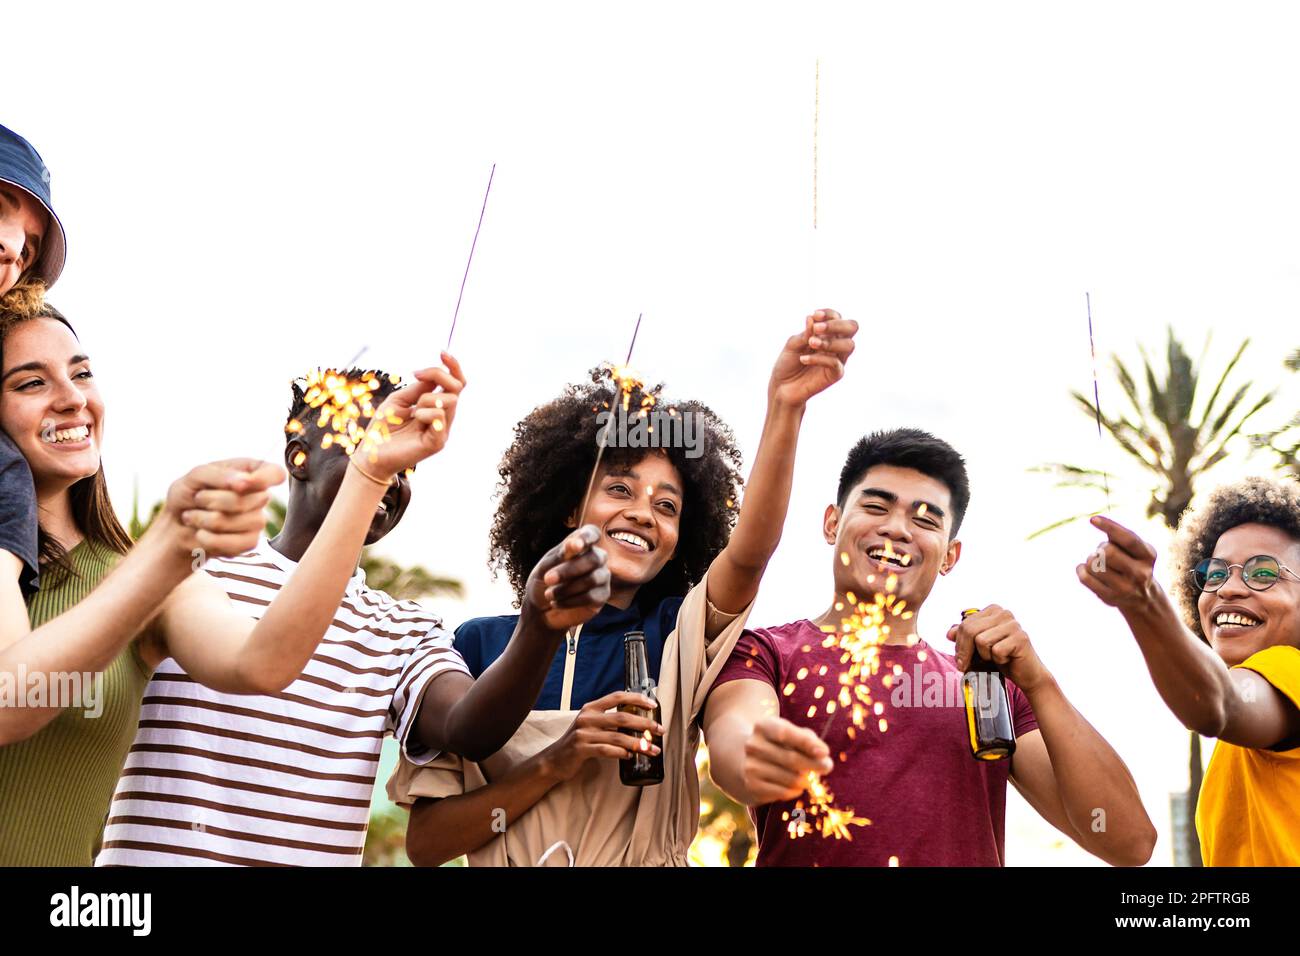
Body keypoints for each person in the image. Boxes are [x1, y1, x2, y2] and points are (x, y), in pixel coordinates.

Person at [0, 300, 460, 865]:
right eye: (29, 383)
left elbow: (262, 664)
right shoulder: (148, 567)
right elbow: (10, 698)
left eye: (82, 373)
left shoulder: (147, 576)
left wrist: (369, 473)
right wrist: (166, 543)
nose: (72, 398)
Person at [392, 309, 859, 866]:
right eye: (620, 489)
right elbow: (428, 844)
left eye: (667, 506)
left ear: (682, 537)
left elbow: (750, 555)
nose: (642, 514)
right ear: (568, 508)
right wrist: (555, 762)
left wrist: (785, 408)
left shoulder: (676, 633)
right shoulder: (478, 646)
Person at [95, 360, 601, 866]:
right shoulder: (190, 579)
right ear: (299, 456)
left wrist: (539, 626)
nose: (392, 473)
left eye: (407, 467)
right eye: (369, 448)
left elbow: (471, 730)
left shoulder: (401, 630)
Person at [703, 427, 1156, 866]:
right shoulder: (765, 653)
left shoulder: (987, 689)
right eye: (877, 507)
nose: (897, 529)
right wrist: (755, 752)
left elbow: (1128, 843)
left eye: (925, 519)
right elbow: (734, 746)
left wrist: (1040, 683)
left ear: (949, 556)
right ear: (832, 523)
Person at [1078, 477, 1300, 865]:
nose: (1228, 588)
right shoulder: (1250, 731)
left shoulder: (1290, 670)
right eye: (1214, 573)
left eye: (1263, 572)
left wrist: (1144, 602)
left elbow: (1217, 705)